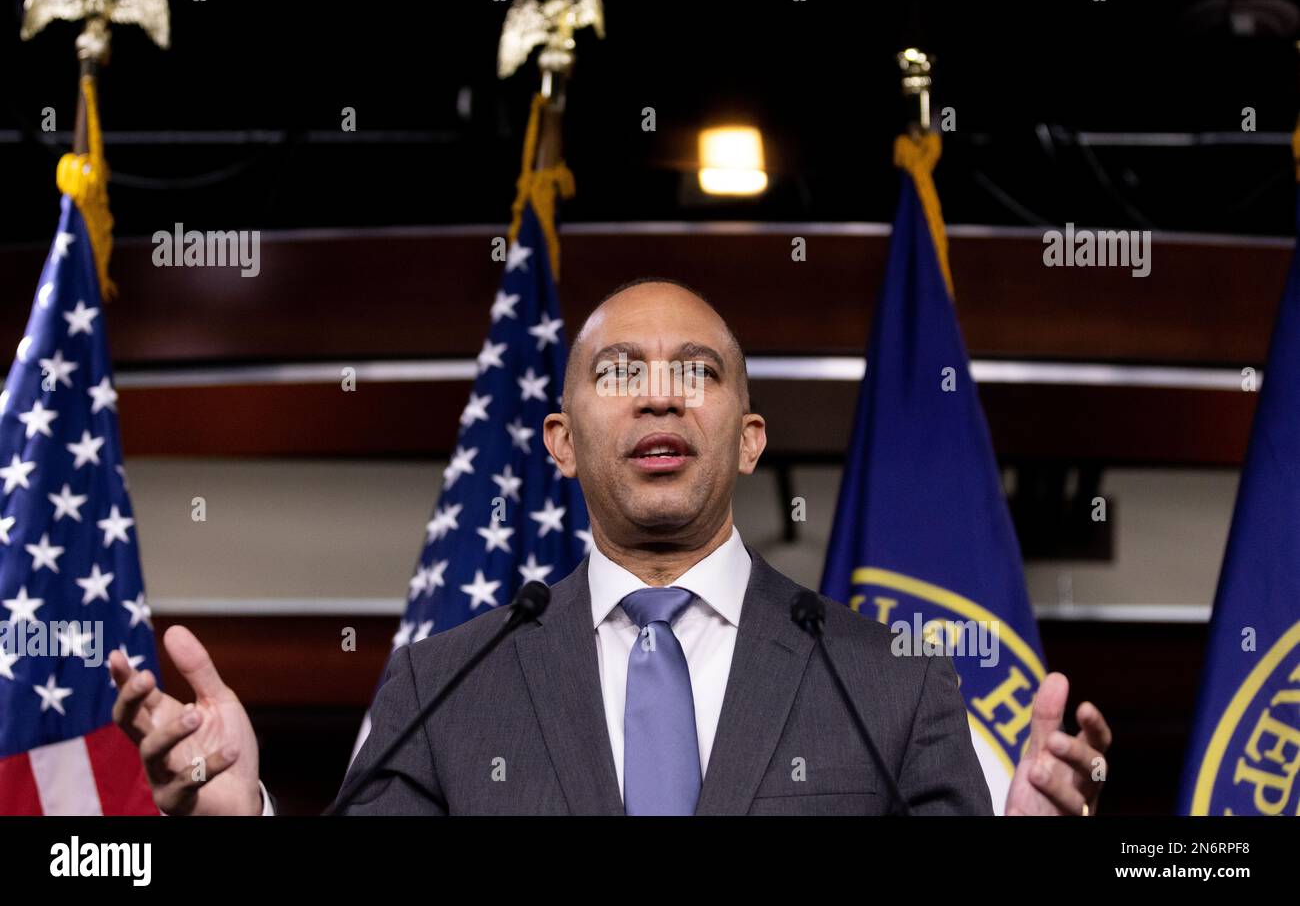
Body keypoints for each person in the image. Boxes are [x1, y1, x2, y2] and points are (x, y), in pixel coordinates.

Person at [109, 278, 1111, 815]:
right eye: (621, 370)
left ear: (750, 438)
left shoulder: (892, 684)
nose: (660, 392)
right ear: (561, 440)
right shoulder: (442, 686)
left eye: (699, 372)